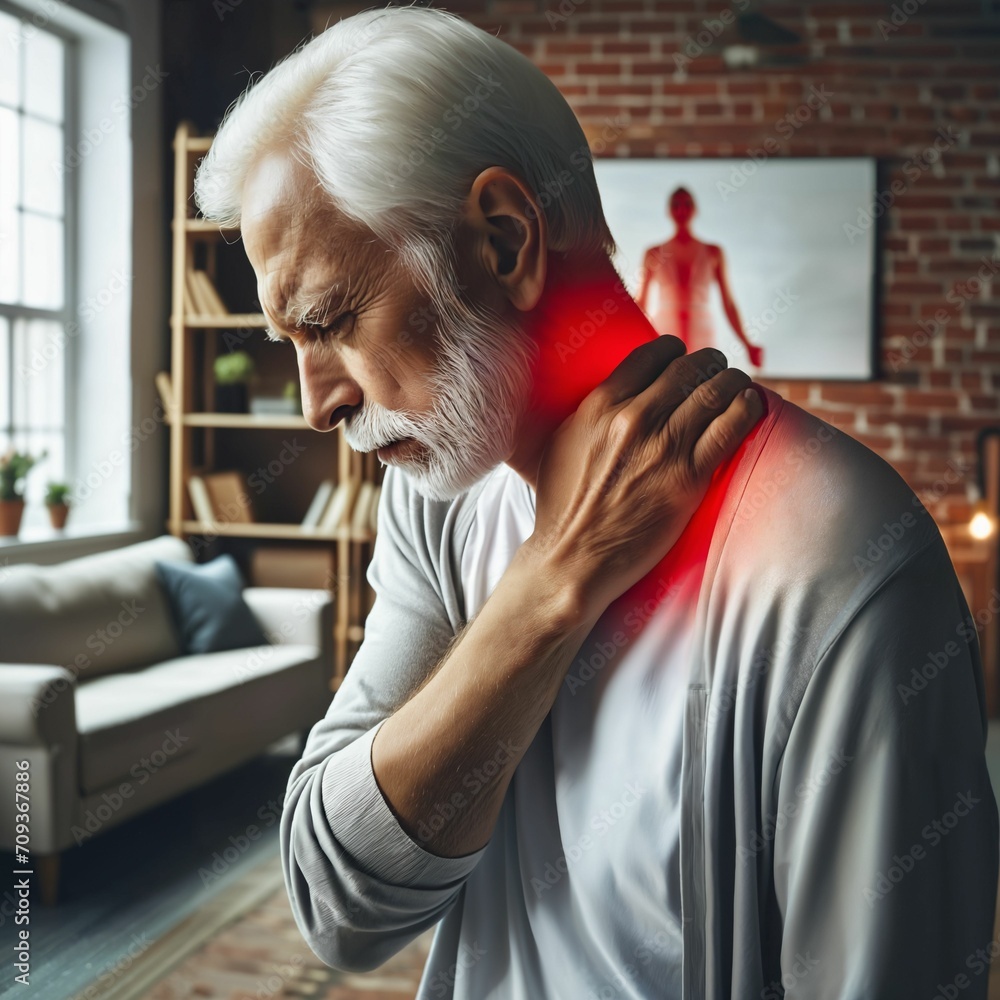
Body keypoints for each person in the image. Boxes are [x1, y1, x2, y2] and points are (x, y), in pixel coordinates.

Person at [194, 7, 999, 998]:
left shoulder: (840, 564)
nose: (318, 404)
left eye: (330, 321)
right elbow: (336, 904)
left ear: (504, 239)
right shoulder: (437, 495)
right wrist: (553, 581)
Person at [636, 187, 765, 370]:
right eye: (676, 205)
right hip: (664, 330)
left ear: (695, 209)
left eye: (687, 204)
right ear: (668, 210)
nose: (681, 210)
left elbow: (728, 303)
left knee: (701, 386)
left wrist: (747, 344)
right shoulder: (654, 253)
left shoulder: (713, 252)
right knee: (665, 386)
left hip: (702, 330)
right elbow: (641, 303)